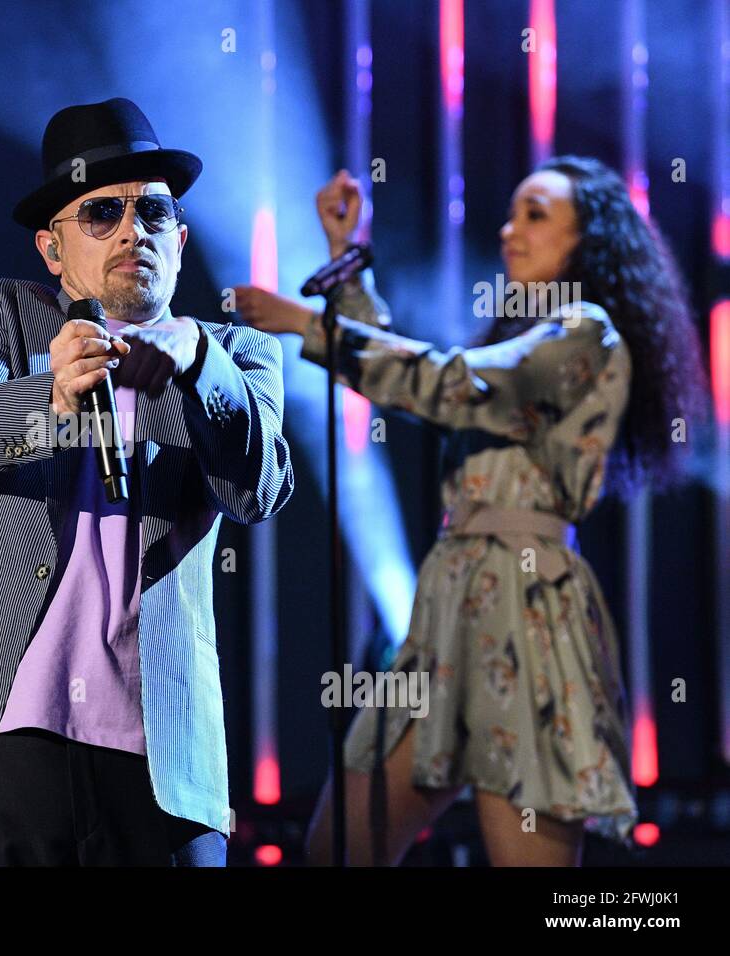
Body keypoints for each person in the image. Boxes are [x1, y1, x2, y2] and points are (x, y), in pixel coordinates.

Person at [0, 97, 295, 866]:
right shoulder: (2, 310)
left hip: (160, 748)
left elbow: (255, 490)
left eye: (154, 213)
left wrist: (196, 367)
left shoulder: (233, 355)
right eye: (101, 212)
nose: (133, 231)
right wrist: (51, 397)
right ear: (52, 250)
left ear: (181, 242)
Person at [236, 159, 707, 865]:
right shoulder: (517, 339)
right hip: (445, 610)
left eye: (537, 215)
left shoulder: (586, 332)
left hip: (527, 610)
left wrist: (308, 325)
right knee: (339, 847)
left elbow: (455, 384)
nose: (510, 229)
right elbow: (423, 381)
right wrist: (347, 260)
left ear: (589, 240)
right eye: (513, 213)